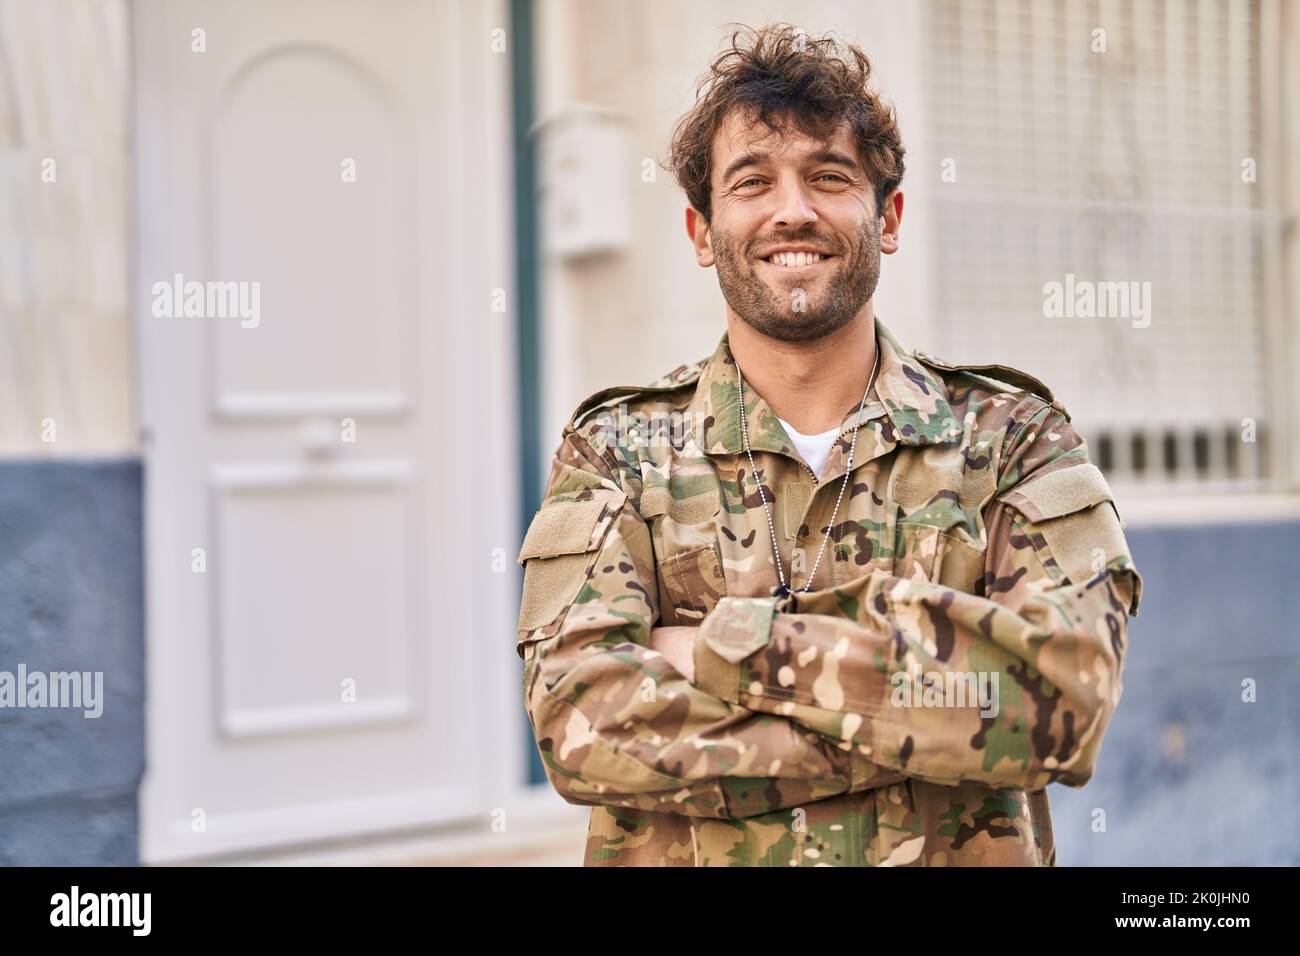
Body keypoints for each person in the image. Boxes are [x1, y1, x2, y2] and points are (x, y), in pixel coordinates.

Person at [515, 22, 1143, 866]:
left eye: (828, 175)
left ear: (886, 217)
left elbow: (1065, 703)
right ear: (702, 232)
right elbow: (580, 726)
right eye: (751, 181)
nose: (792, 210)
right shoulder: (618, 454)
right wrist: (924, 723)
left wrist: (717, 647)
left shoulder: (1009, 439)